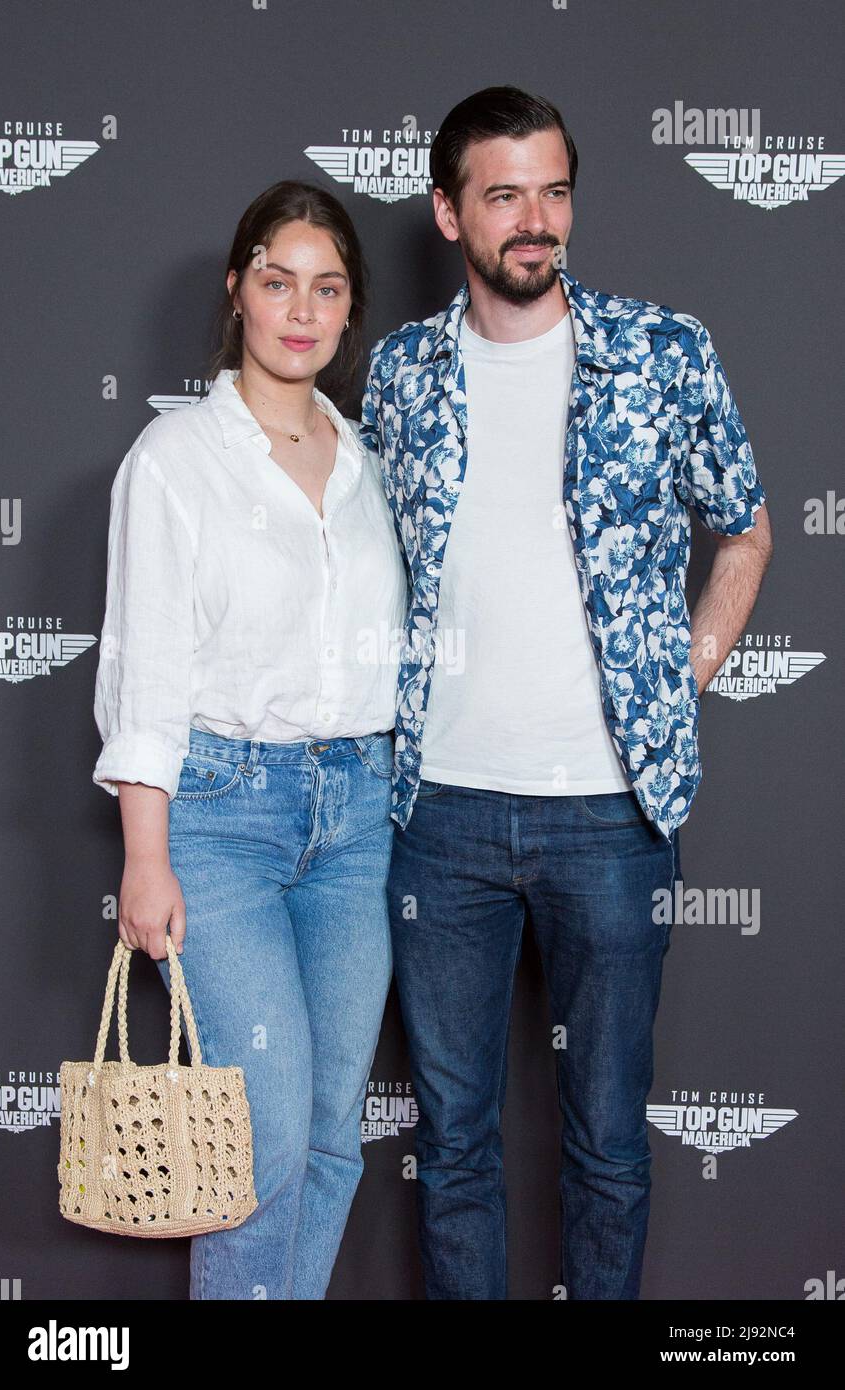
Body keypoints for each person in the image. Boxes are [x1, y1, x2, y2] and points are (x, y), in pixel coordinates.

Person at [360, 86, 772, 1300]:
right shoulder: (398, 375)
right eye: (504, 195)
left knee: (606, 1144)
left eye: (553, 190)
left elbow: (744, 531)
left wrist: (684, 671)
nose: (536, 221)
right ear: (448, 212)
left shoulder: (663, 349)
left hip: (612, 813)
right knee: (458, 1145)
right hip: (437, 815)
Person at [92, 180, 407, 1300]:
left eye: (327, 288)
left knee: (330, 1136)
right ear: (238, 293)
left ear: (350, 310)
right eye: (278, 281)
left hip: (359, 819)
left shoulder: (372, 465)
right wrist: (145, 851)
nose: (301, 310)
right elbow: (145, 669)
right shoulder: (176, 460)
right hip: (224, 818)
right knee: (263, 1140)